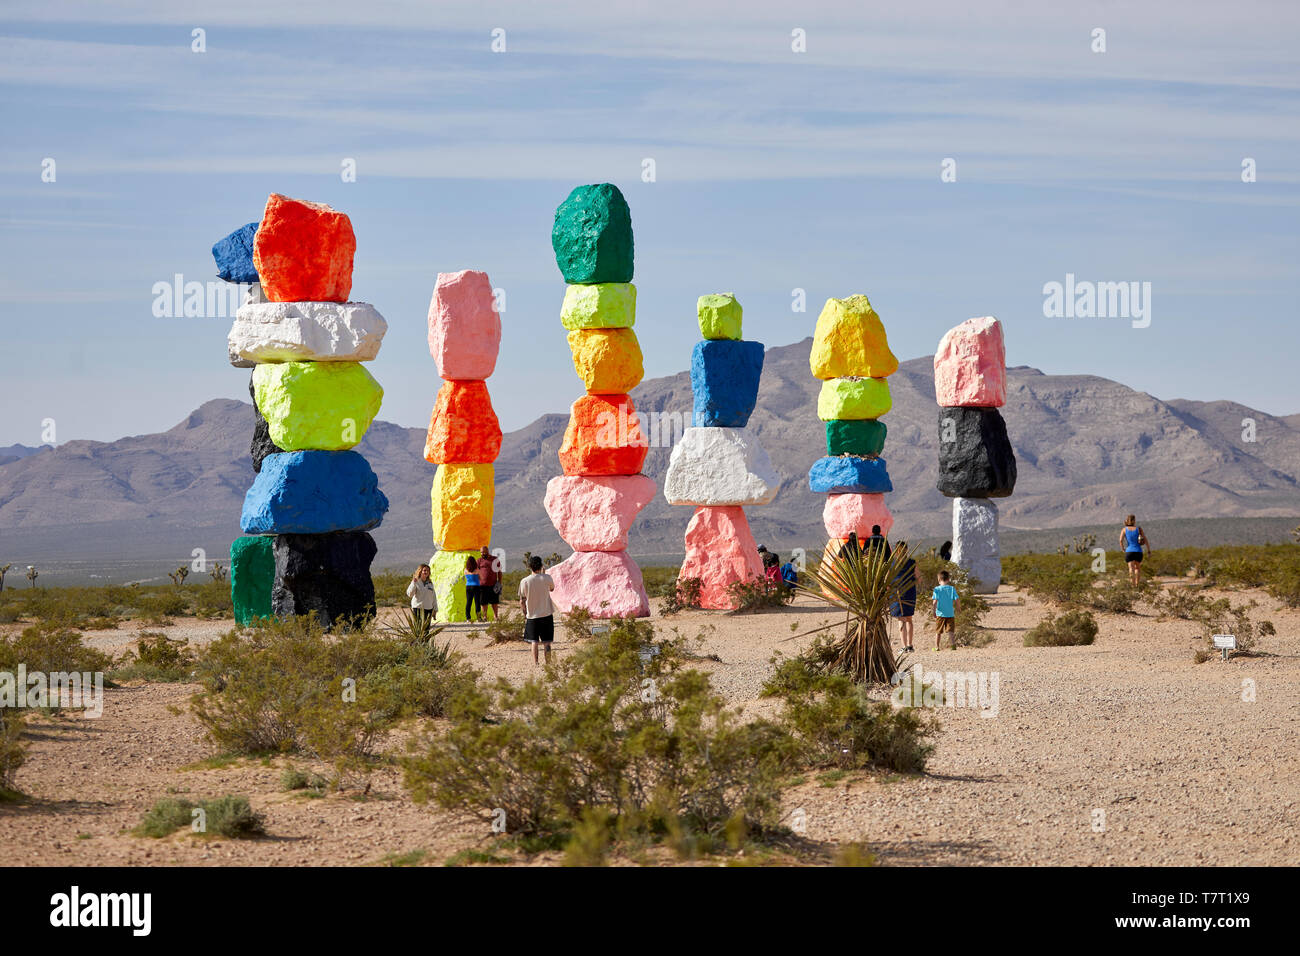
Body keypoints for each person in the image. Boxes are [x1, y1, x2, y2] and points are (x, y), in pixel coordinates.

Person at [519, 555, 556, 664]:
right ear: (541, 565)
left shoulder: (524, 581)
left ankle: (536, 663)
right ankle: (548, 663)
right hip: (547, 613)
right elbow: (552, 589)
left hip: (532, 615)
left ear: (529, 566)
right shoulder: (547, 578)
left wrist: (525, 613)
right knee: (547, 642)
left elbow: (522, 600)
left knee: (534, 641)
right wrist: (544, 574)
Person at [890, 544, 917, 652]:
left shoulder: (892, 564)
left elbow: (887, 579)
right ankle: (910, 646)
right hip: (910, 592)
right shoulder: (912, 562)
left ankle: (904, 646)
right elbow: (918, 578)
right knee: (909, 619)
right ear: (906, 550)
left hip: (897, 593)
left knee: (901, 619)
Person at [931, 569, 960, 651]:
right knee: (951, 631)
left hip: (940, 614)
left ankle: (936, 647)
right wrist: (958, 608)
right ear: (948, 579)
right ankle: (953, 645)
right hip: (950, 613)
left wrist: (933, 611)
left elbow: (935, 601)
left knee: (938, 631)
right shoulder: (952, 589)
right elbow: (957, 599)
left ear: (939, 580)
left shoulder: (937, 589)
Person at [1120, 515, 1150, 586]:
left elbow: (1120, 540)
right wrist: (1149, 550)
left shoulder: (1124, 529)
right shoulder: (1139, 529)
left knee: (1131, 568)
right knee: (1137, 568)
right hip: (1138, 551)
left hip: (1129, 551)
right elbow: (1145, 539)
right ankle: (1137, 584)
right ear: (1134, 521)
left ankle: (1132, 585)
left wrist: (1123, 548)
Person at [476, 546, 500, 622]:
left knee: (494, 602)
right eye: (481, 552)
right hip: (482, 585)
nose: (482, 553)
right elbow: (476, 572)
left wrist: (499, 582)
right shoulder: (479, 561)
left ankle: (496, 616)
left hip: (493, 584)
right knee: (483, 602)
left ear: (488, 551)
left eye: (484, 552)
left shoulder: (495, 559)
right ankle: (485, 617)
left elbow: (499, 572)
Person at [464, 555, 481, 622]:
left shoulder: (465, 570)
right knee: (477, 602)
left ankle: (468, 618)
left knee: (468, 602)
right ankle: (479, 618)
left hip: (468, 586)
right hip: (476, 586)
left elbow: (466, 578)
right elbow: (480, 578)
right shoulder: (477, 570)